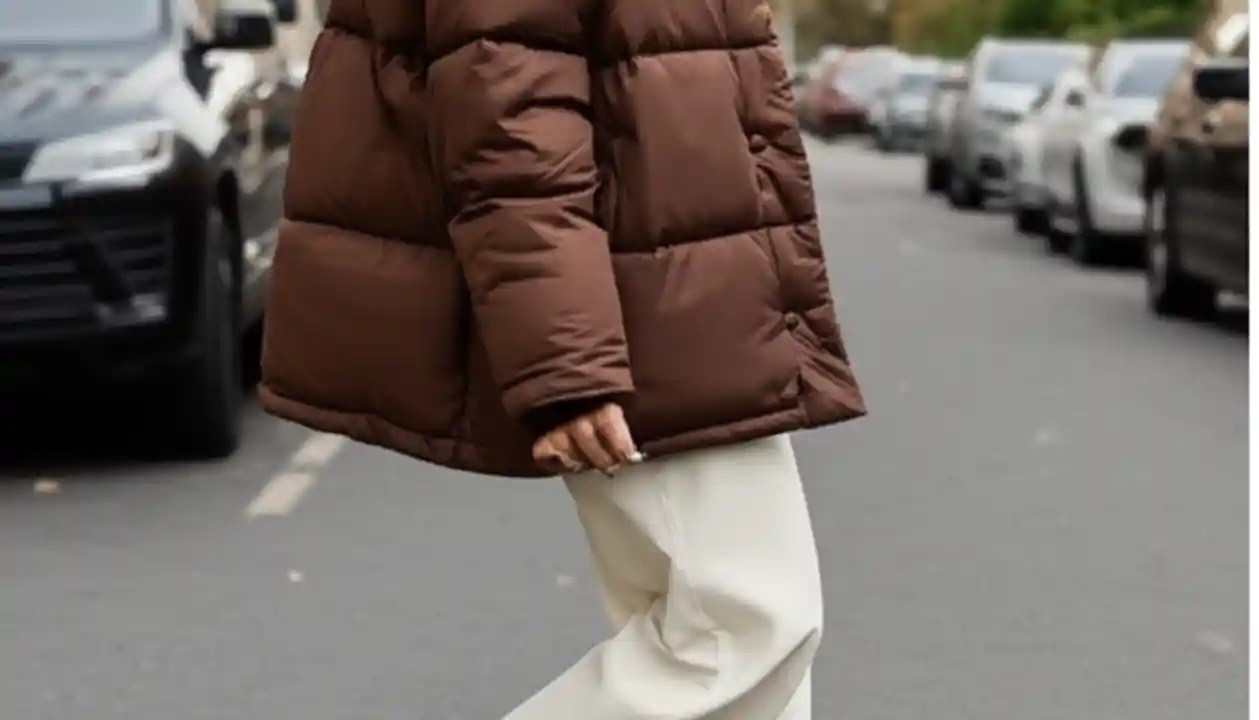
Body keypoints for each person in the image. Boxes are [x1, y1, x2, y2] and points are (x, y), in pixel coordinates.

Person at [260, 0, 866, 716]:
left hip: (688, 283)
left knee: (741, 669)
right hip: (644, 303)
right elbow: (509, 107)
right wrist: (567, 357)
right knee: (743, 628)